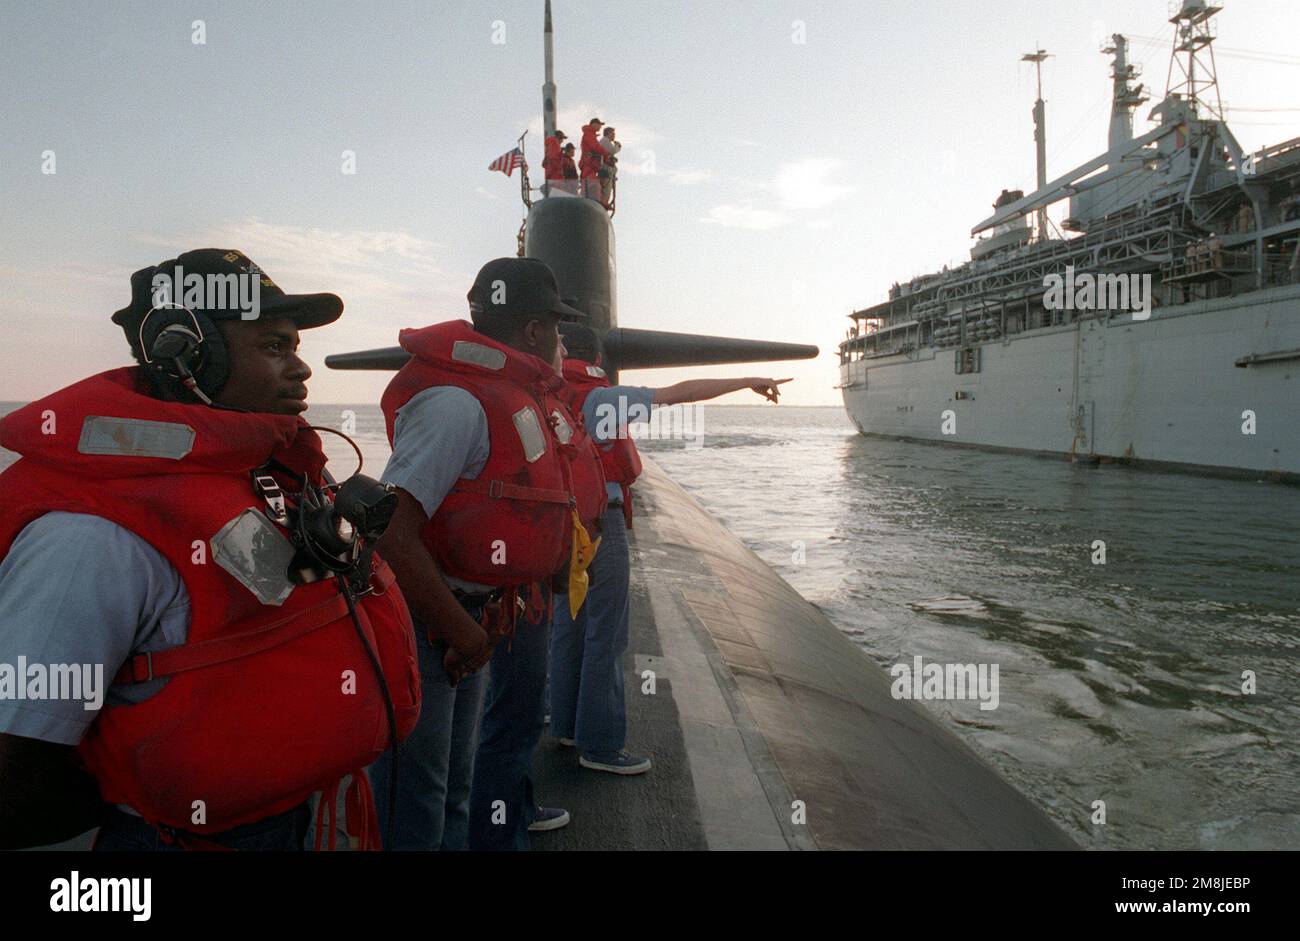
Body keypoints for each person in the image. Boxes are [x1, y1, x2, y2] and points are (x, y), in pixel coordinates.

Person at [0, 248, 420, 851]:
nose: (302, 369)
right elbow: (15, 774)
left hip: (316, 819)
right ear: (189, 354)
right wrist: (150, 803)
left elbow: (279, 596)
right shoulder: (90, 536)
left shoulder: (268, 477)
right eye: (275, 347)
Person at [370, 257, 603, 851]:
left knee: (452, 785)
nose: (559, 338)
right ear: (531, 331)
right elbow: (391, 531)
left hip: (472, 611)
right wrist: (460, 630)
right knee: (416, 789)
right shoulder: (456, 403)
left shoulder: (508, 395)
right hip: (432, 621)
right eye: (555, 326)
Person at [550, 323, 789, 775]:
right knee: (607, 631)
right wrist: (746, 381)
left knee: (570, 623)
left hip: (564, 526)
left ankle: (564, 723)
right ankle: (599, 745)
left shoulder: (548, 397)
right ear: (597, 360)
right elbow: (677, 393)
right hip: (602, 523)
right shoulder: (601, 399)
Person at [580, 117, 610, 204]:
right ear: (594, 124)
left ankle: (594, 202)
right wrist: (605, 153)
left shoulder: (590, 134)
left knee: (591, 184)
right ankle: (593, 203)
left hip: (591, 165)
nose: (600, 127)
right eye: (599, 125)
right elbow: (595, 147)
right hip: (588, 164)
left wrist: (605, 158)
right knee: (591, 183)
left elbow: (595, 148)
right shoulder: (589, 134)